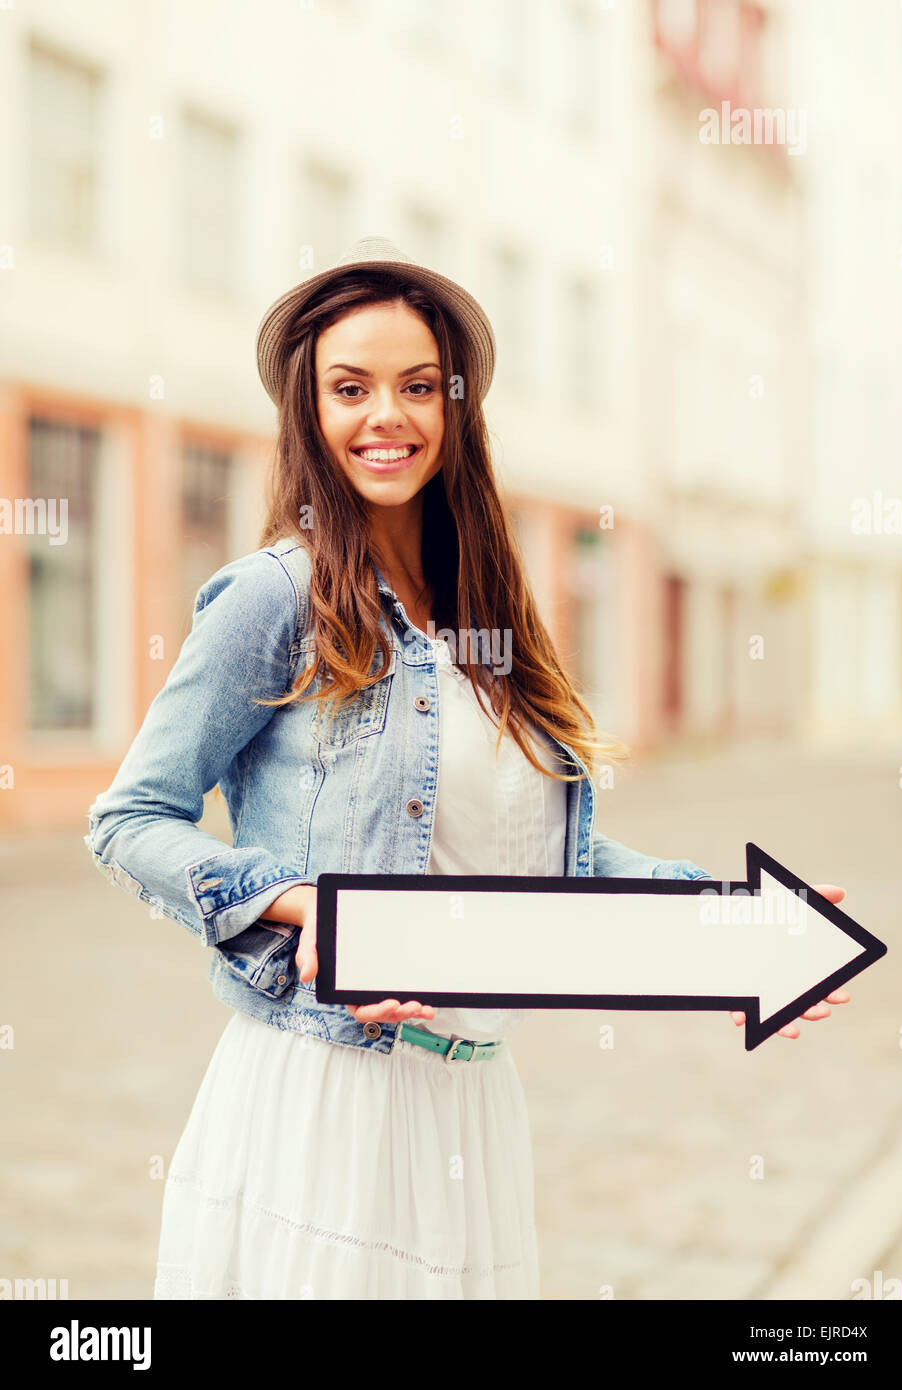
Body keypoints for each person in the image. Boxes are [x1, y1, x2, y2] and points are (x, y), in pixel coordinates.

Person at [84, 236, 849, 1300]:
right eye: (348, 388)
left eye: (414, 387)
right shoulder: (273, 598)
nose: (383, 416)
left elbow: (538, 862)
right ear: (309, 411)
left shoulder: (487, 622)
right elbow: (128, 819)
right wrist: (292, 901)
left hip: (473, 1106)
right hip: (328, 1098)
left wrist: (710, 931)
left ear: (454, 409)